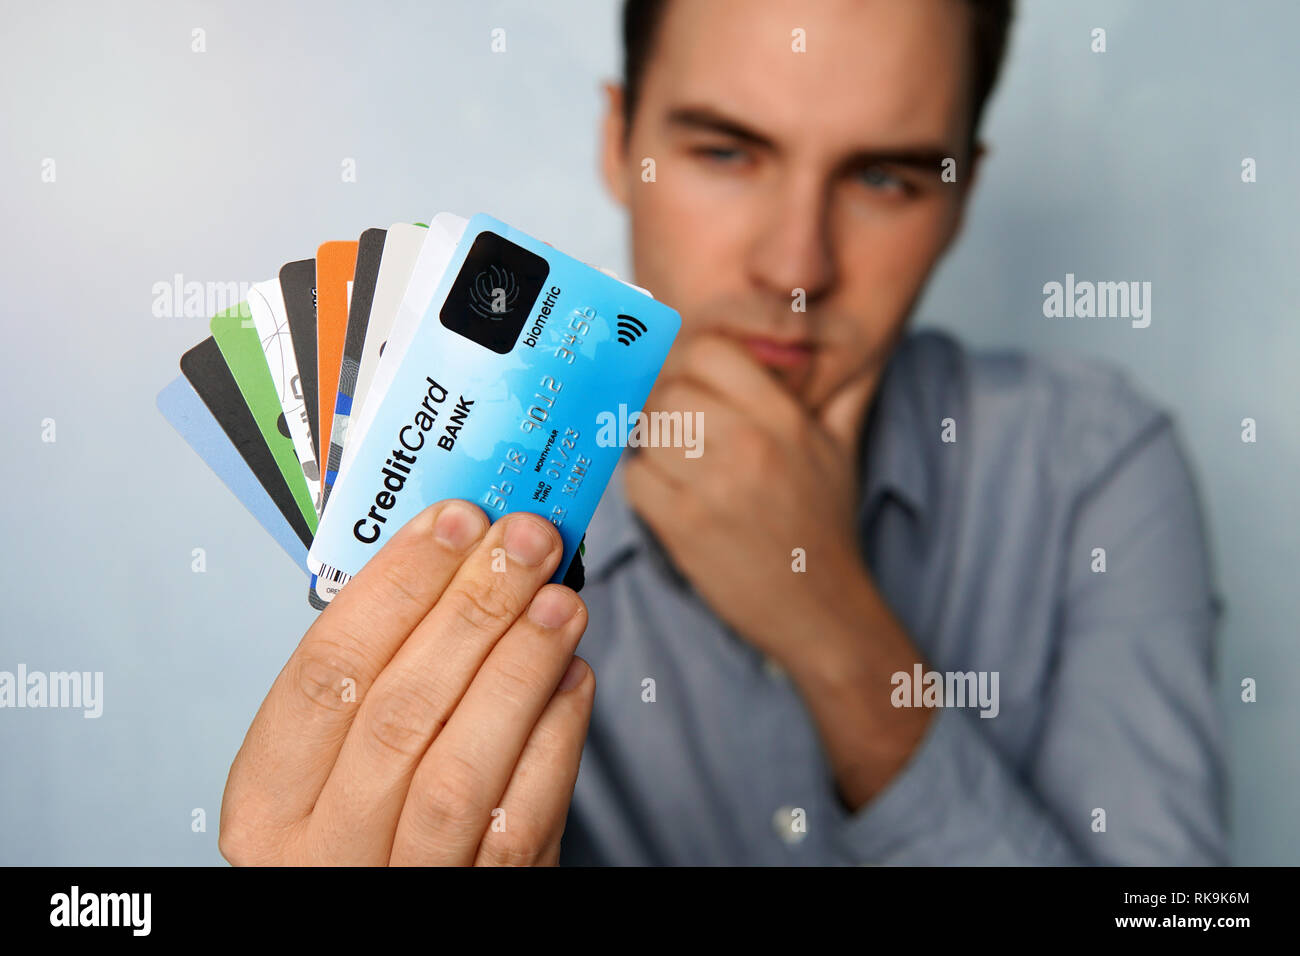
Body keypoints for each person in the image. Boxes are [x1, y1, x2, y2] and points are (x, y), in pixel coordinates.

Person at [219, 0, 1228, 866]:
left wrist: (830, 623)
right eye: (724, 152)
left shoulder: (1093, 461)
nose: (796, 266)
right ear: (619, 145)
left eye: (886, 178)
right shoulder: (448, 479)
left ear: (961, 193)